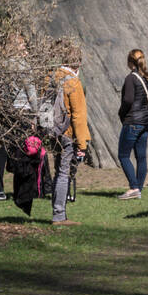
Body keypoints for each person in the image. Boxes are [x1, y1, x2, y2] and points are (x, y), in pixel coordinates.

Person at [0, 34, 38, 201]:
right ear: (16, 47)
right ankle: (22, 190)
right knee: (23, 151)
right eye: (22, 45)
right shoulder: (23, 65)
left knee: (2, 151)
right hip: (22, 111)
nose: (25, 48)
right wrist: (35, 114)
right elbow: (30, 90)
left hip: (3, 112)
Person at [49, 43, 90, 225]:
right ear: (78, 63)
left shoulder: (51, 78)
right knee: (64, 173)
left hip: (53, 131)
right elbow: (79, 115)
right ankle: (59, 215)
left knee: (58, 171)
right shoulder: (73, 82)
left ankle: (58, 212)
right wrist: (82, 144)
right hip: (67, 132)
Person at [117, 49, 148, 199]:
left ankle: (133, 187)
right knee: (141, 157)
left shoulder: (130, 78)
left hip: (132, 121)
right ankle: (138, 188)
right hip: (146, 122)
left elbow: (127, 100)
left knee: (123, 155)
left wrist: (121, 113)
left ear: (130, 62)